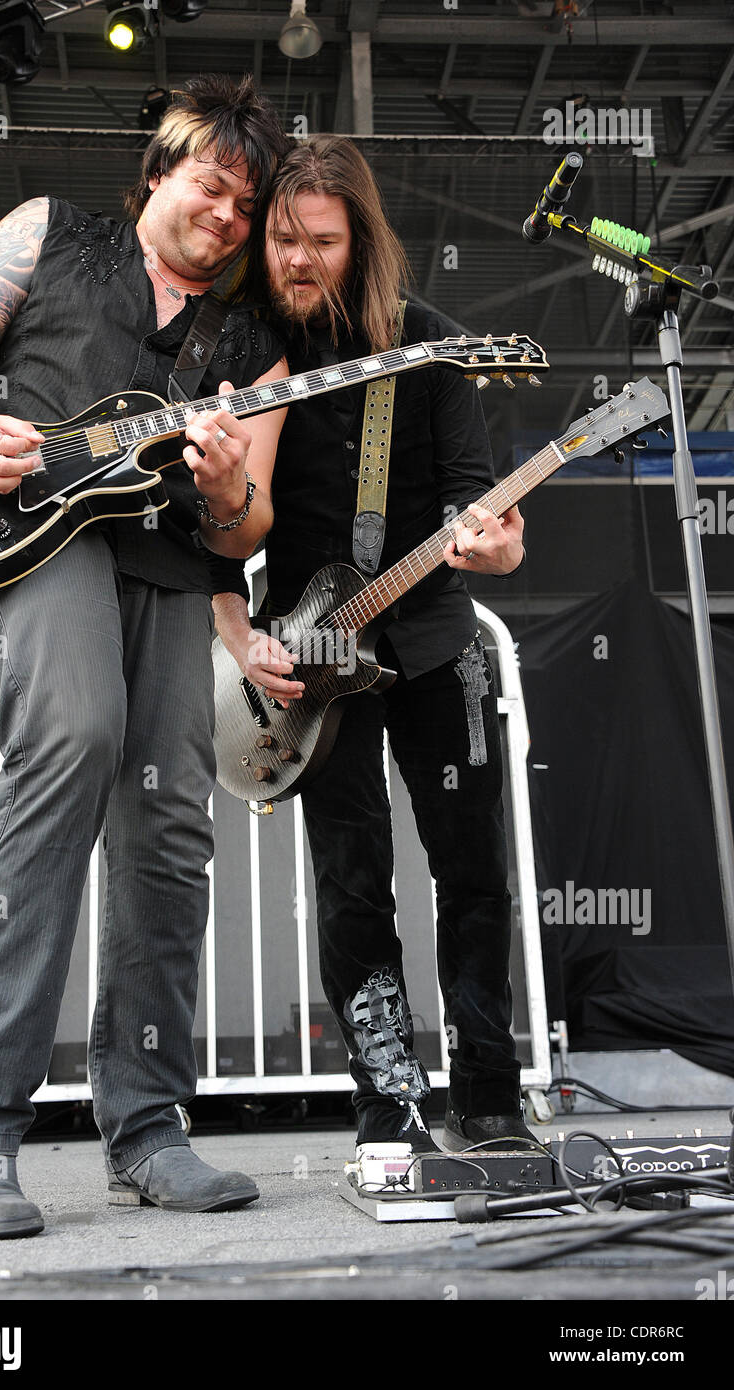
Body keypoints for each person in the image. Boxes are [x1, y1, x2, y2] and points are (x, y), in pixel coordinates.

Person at [0, 75, 291, 1240]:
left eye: (245, 207)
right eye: (212, 189)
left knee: (173, 821)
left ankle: (150, 1125)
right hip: (26, 540)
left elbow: (248, 526)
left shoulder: (254, 349)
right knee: (72, 738)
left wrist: (227, 487)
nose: (227, 218)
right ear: (164, 168)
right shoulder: (46, 231)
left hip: (169, 566)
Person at [213, 135, 536, 1156]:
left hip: (437, 640)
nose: (298, 261)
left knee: (472, 872)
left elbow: (477, 508)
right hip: (312, 659)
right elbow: (213, 518)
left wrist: (493, 548)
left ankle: (489, 1099)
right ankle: (384, 1105)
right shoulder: (249, 352)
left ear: (363, 243)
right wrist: (238, 624)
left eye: (322, 242)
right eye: (280, 239)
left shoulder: (430, 345)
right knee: (351, 884)